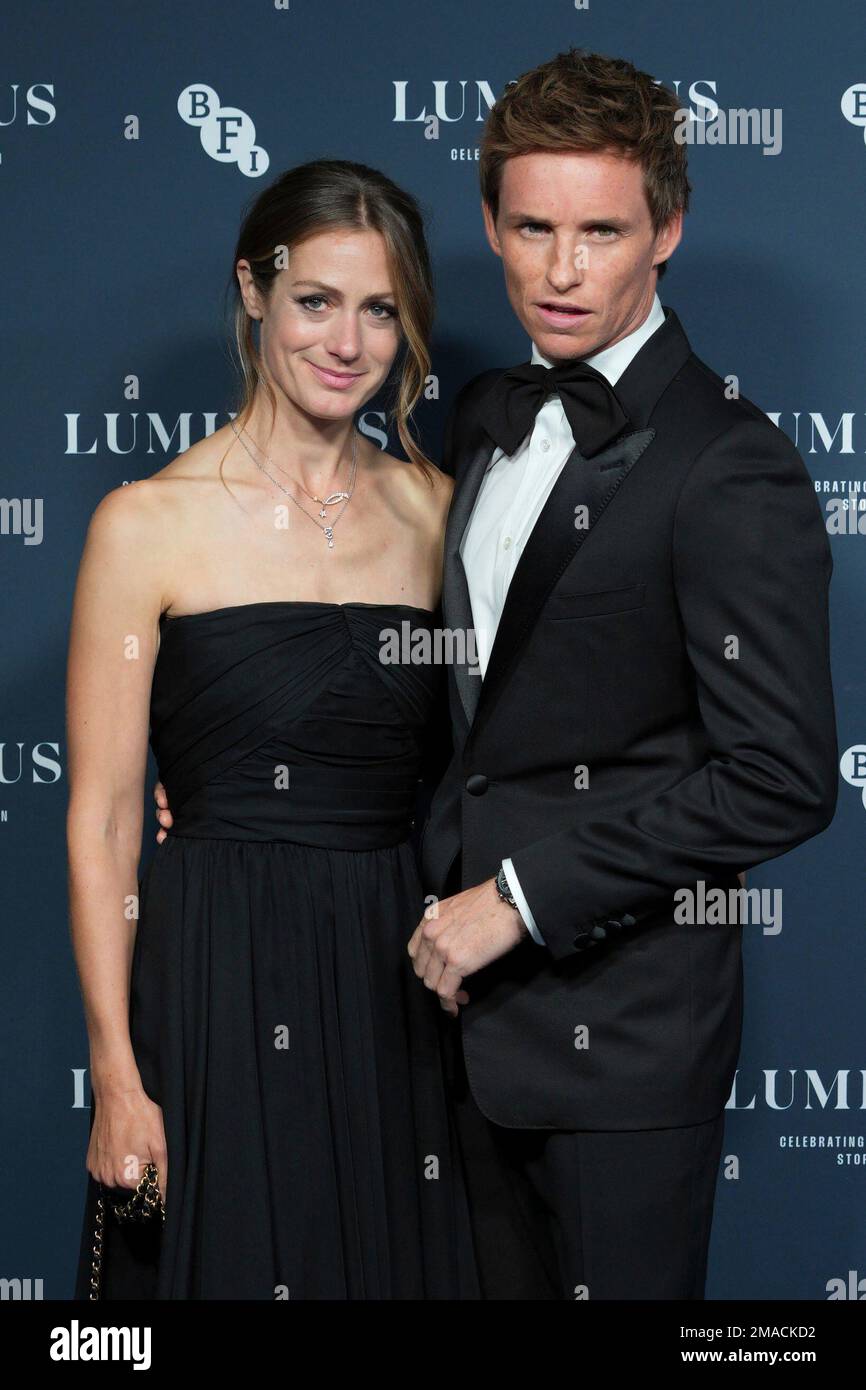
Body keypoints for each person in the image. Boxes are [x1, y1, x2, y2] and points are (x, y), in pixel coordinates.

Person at [408, 48, 838, 1300]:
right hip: (447, 1030)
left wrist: (520, 896)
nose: (559, 269)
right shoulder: (485, 412)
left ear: (667, 229)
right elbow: (476, 713)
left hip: (623, 1045)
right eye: (531, 227)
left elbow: (779, 776)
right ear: (488, 221)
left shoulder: (726, 463)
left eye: (599, 231)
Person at [69, 158, 478, 1299]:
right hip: (216, 971)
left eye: (380, 309)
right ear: (253, 292)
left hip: (397, 976)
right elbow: (104, 816)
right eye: (315, 300)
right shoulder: (145, 523)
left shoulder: (439, 512)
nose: (346, 341)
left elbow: (492, 763)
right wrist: (116, 1070)